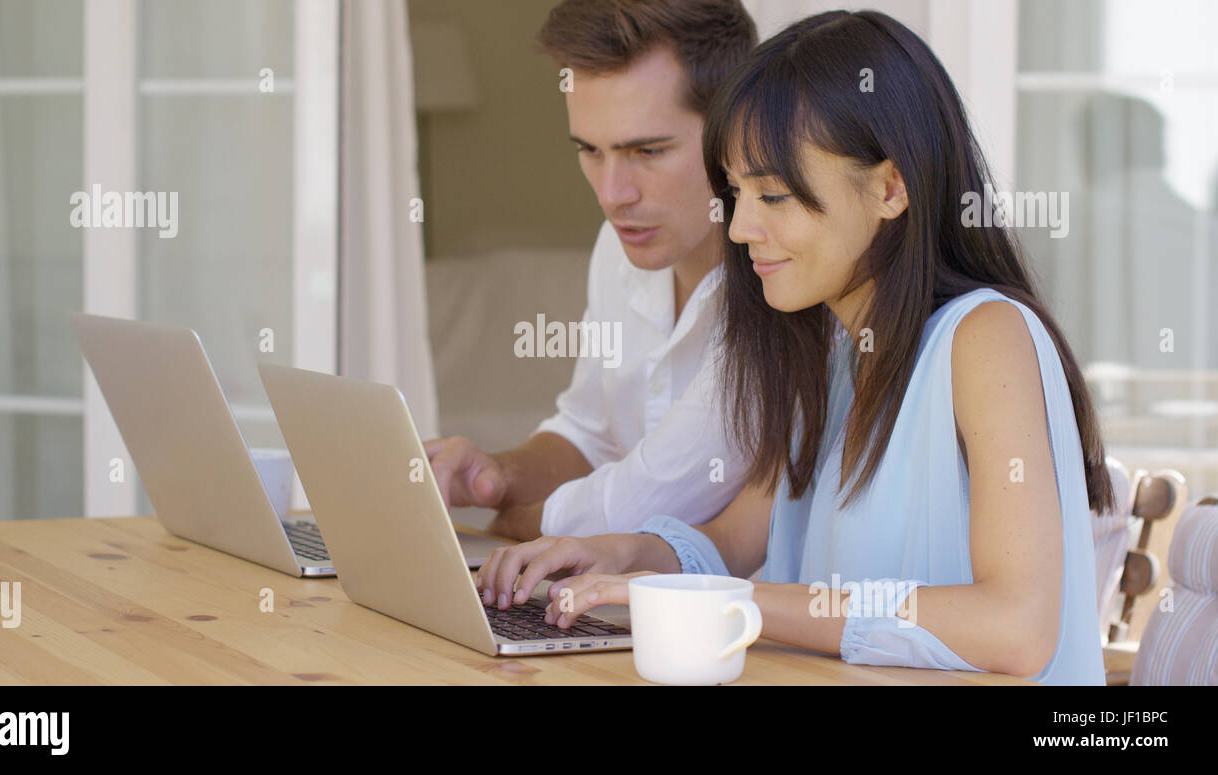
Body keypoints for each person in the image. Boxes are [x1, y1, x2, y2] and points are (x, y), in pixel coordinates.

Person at [474, 9, 1116, 685]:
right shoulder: (830, 347)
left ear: (891, 187)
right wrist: (614, 554)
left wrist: (740, 605)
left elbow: (1016, 627)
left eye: (775, 195)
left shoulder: (986, 338)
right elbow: (728, 542)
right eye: (736, 191)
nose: (744, 226)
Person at [424, 0, 758, 543]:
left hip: (740, 622)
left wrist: (512, 524)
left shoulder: (781, 281)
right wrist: (494, 477)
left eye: (647, 150)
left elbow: (642, 501)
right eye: (590, 150)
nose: (612, 195)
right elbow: (590, 435)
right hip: (615, 611)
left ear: (737, 127)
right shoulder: (618, 245)